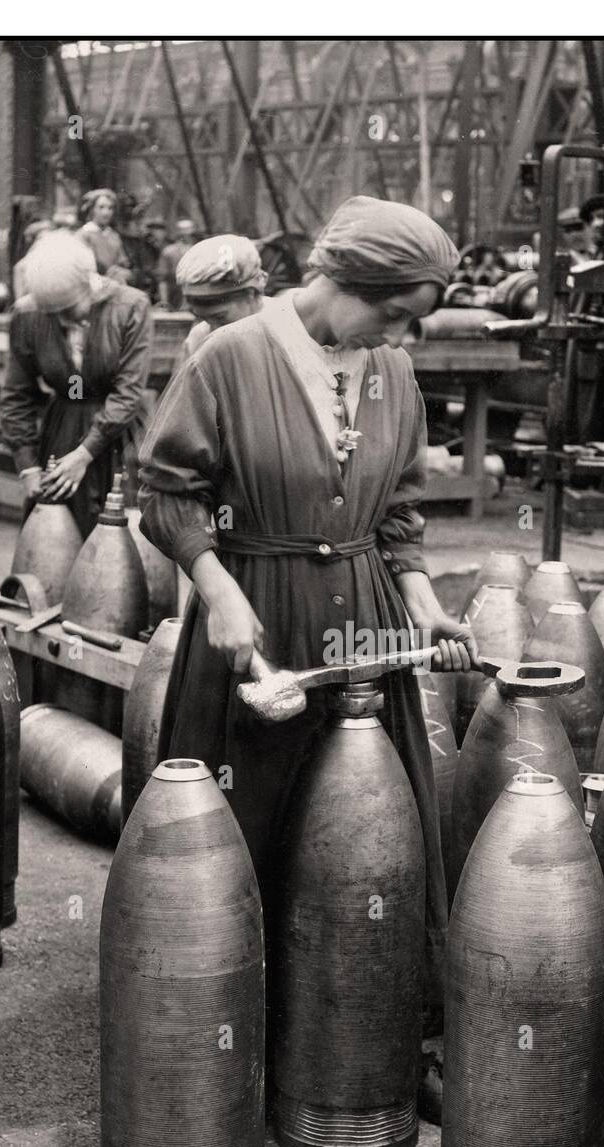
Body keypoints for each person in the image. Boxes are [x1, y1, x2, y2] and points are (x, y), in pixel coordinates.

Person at [138, 195, 473, 1035]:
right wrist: (218, 594)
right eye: (390, 313)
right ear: (338, 278)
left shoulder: (391, 371)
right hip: (255, 611)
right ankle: (231, 1034)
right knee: (248, 819)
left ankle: (352, 1033)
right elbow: (170, 498)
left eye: (409, 323)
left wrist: (423, 602)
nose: (395, 337)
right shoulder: (228, 357)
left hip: (364, 620)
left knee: (368, 830)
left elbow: (397, 510)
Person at [0, 231, 153, 537]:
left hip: (119, 437)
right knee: (55, 540)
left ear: (90, 284)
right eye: (52, 315)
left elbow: (128, 393)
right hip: (63, 431)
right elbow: (16, 394)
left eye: (69, 311)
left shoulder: (130, 306)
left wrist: (84, 455)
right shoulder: (27, 315)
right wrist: (28, 466)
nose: (61, 322)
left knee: (121, 543)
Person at [172, 233, 267, 369]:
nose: (213, 329)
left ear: (250, 295)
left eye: (220, 318)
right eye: (201, 318)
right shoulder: (198, 338)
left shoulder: (285, 330)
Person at [76, 188, 131, 282]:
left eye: (110, 208)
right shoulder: (84, 234)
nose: (106, 213)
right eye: (101, 207)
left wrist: (124, 272)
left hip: (115, 283)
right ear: (92, 209)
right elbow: (81, 267)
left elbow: (123, 263)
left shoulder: (114, 236)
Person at [156, 218, 199, 309]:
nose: (186, 235)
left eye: (188, 231)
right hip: (174, 293)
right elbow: (162, 279)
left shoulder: (199, 250)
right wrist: (164, 301)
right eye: (183, 232)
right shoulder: (168, 251)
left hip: (195, 295)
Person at [11, 219, 54, 301]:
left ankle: (19, 303)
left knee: (19, 268)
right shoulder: (49, 233)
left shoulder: (42, 239)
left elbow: (20, 267)